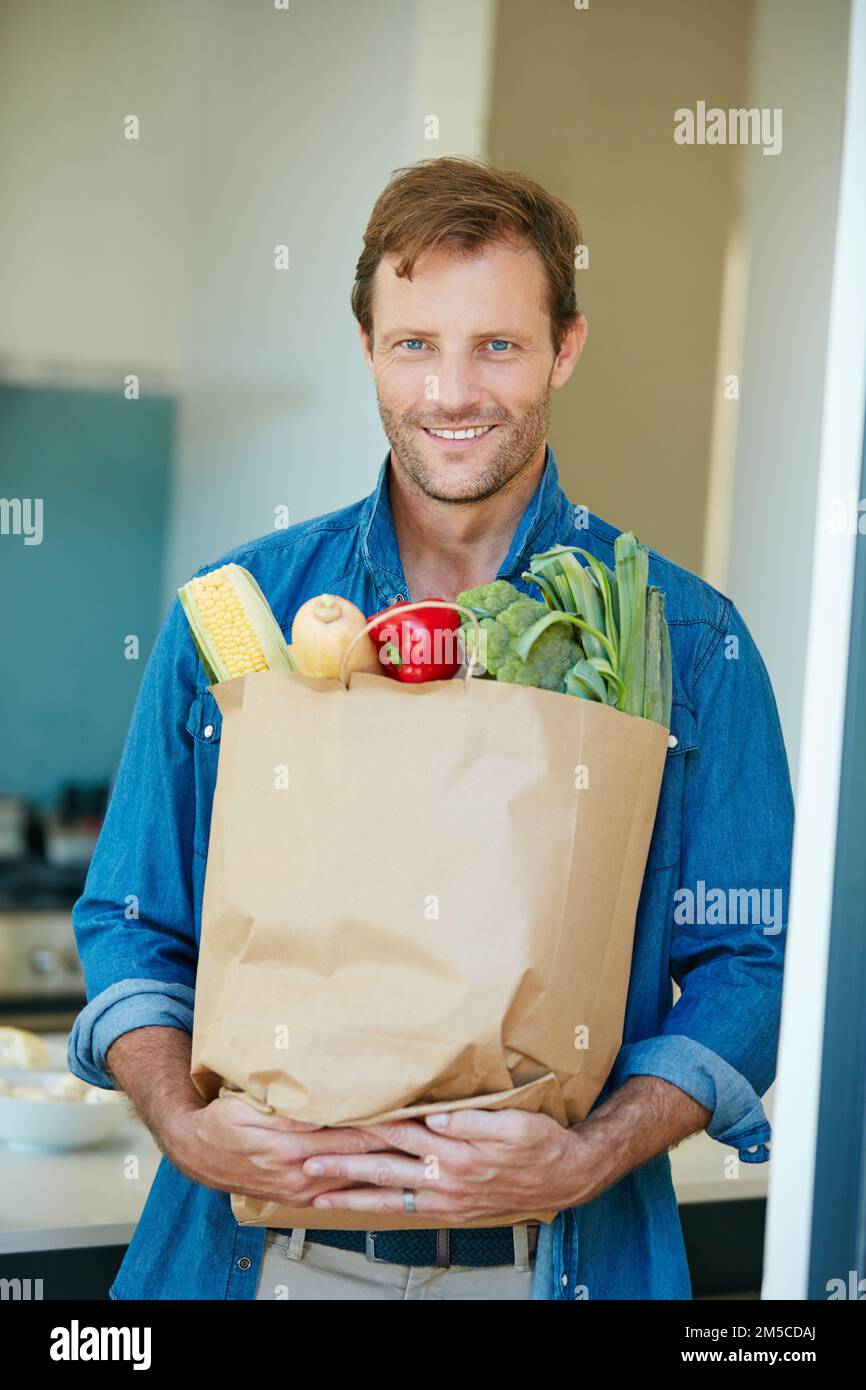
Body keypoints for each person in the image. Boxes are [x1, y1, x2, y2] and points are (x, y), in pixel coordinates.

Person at [68, 155, 794, 1301]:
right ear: (365, 348)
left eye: (496, 345)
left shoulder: (690, 643)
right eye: (414, 344)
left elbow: (749, 957)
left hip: (558, 1264)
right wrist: (182, 1120)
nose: (452, 391)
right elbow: (127, 920)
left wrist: (589, 1152)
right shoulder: (236, 612)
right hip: (248, 1261)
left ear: (564, 348)